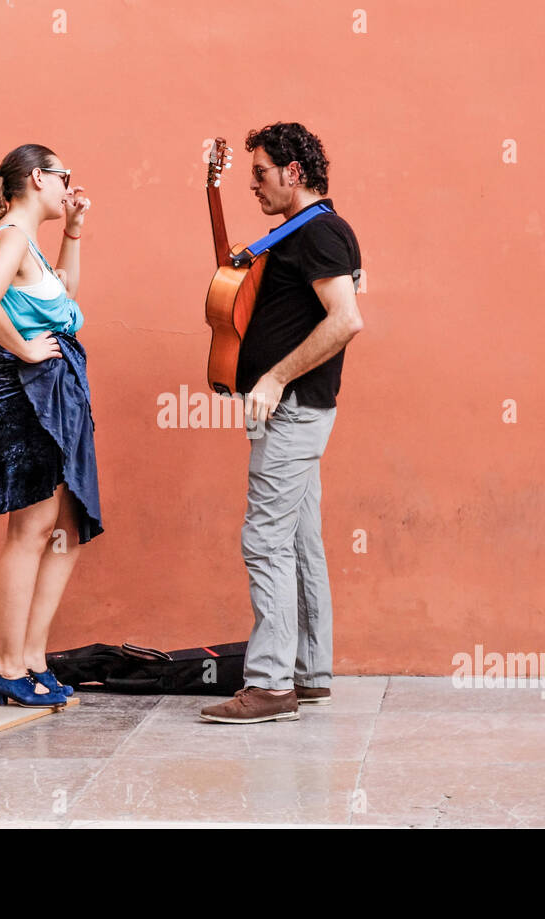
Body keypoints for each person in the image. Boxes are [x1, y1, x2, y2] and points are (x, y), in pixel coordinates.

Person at [200, 123, 364, 724]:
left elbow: (346, 320)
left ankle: (270, 686)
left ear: (294, 172)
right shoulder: (305, 234)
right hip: (299, 412)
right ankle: (308, 673)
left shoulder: (321, 233)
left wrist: (273, 378)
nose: (255, 186)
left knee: (264, 540)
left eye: (262, 173)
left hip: (292, 411)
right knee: (299, 540)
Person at [0, 143, 103, 707]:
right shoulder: (12, 236)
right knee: (33, 525)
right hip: (26, 391)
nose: (69, 184)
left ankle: (31, 658)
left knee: (66, 524)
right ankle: (5, 665)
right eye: (63, 176)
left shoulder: (31, 245)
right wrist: (24, 350)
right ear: (38, 178)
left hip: (55, 390)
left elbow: (65, 298)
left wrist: (72, 231)